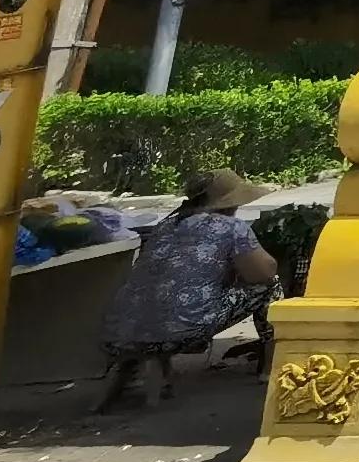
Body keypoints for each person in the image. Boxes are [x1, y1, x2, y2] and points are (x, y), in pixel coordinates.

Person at [95, 169, 280, 407]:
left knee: (170, 300)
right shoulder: (232, 228)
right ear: (230, 203)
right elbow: (264, 272)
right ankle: (270, 367)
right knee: (269, 287)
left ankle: (149, 371)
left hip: (118, 333)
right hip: (185, 331)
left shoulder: (166, 224)